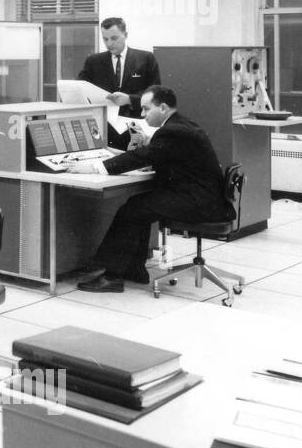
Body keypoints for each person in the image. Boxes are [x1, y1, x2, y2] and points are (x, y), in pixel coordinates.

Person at [67, 86, 232, 293]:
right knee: (138, 207)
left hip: (198, 202)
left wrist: (95, 167)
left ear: (162, 108)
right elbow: (165, 156)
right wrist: (151, 147)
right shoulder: (180, 124)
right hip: (205, 197)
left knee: (132, 210)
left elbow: (141, 157)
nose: (142, 115)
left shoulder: (172, 130)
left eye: (146, 109)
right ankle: (134, 269)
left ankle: (112, 276)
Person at [77, 17, 160, 149]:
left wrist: (129, 99)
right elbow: (79, 88)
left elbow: (155, 94)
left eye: (114, 38)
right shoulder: (94, 61)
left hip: (136, 126)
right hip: (104, 128)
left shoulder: (145, 58)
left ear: (125, 35)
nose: (109, 43)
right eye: (105, 39)